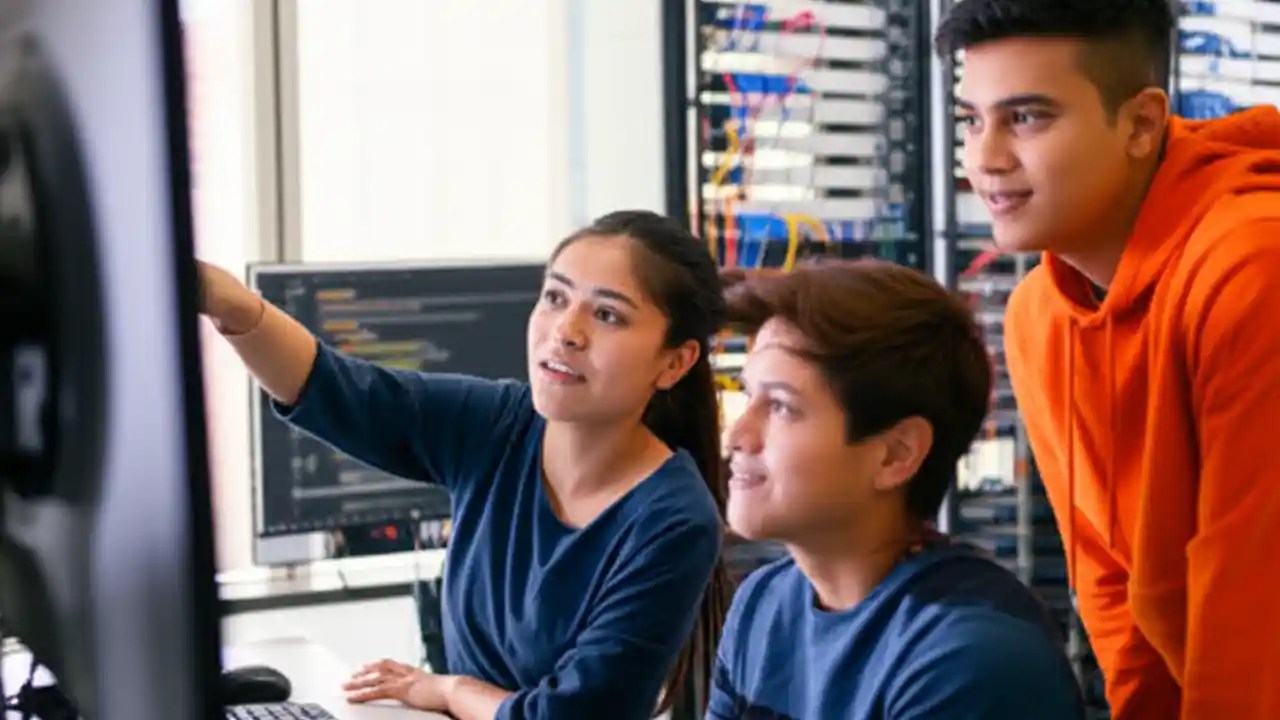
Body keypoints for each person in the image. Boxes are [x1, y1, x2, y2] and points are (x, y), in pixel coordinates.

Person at [198, 210, 730, 719]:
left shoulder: (673, 519)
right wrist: (231, 306)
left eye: (607, 314)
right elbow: (339, 392)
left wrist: (449, 689)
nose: (566, 331)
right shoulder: (500, 425)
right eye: (555, 297)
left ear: (674, 362)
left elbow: (572, 715)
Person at [935, 0, 1280, 717]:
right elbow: (1114, 593)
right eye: (972, 119)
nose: (985, 158)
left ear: (1142, 124)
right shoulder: (1040, 315)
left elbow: (1254, 598)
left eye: (1026, 117)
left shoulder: (1255, 269)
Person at [706, 260, 1084, 719]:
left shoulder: (970, 658)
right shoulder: (762, 606)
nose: (736, 436)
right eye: (748, 398)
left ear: (896, 455)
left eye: (782, 407)